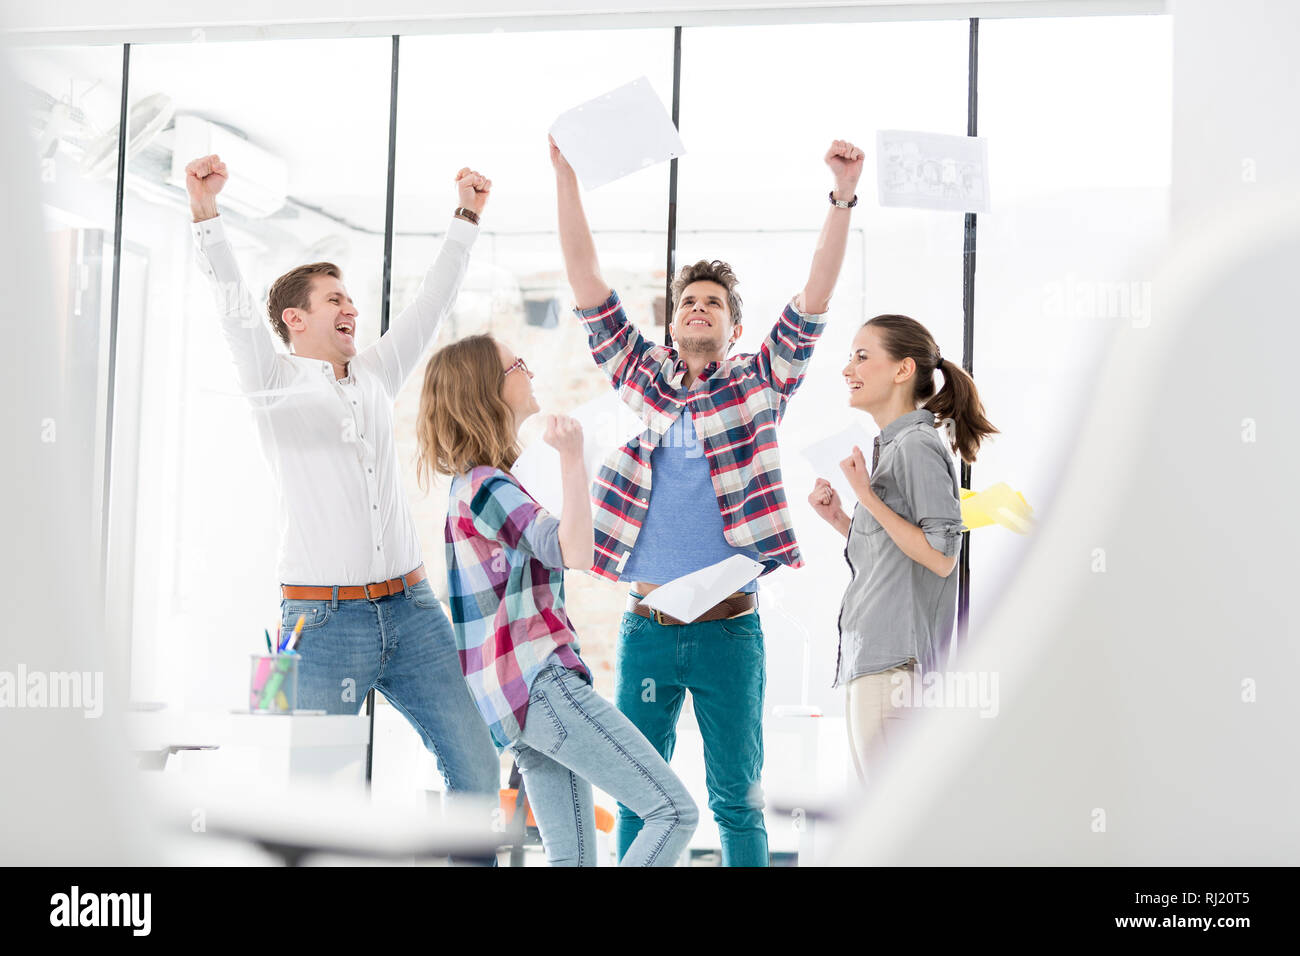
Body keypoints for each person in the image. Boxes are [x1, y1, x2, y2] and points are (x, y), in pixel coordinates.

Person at [551, 136, 865, 866]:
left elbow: (815, 299)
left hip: (730, 633)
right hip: (648, 629)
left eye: (713, 303)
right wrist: (567, 175)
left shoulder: (760, 382)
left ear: (734, 328)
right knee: (639, 797)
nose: (698, 308)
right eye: (688, 301)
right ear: (671, 324)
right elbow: (587, 281)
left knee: (736, 800)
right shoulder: (642, 376)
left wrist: (842, 196)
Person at [185, 154, 501, 823]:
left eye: (350, 298)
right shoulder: (272, 382)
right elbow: (234, 308)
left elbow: (431, 304)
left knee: (477, 767)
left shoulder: (376, 376)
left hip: (412, 611)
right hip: (322, 623)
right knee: (319, 799)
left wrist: (466, 216)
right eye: (334, 299)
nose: (352, 307)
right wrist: (206, 213)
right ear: (295, 320)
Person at [420, 334, 698, 866]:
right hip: (540, 682)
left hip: (518, 701)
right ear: (486, 389)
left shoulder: (476, 486)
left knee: (572, 858)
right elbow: (574, 550)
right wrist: (572, 457)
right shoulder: (488, 487)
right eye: (517, 366)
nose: (529, 372)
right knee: (673, 813)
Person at [807, 314, 997, 788]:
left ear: (903, 369)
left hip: (896, 668)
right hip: (877, 661)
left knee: (888, 813)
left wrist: (866, 496)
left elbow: (941, 556)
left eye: (862, 356)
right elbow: (894, 555)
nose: (848, 369)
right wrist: (842, 519)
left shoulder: (916, 445)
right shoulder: (895, 446)